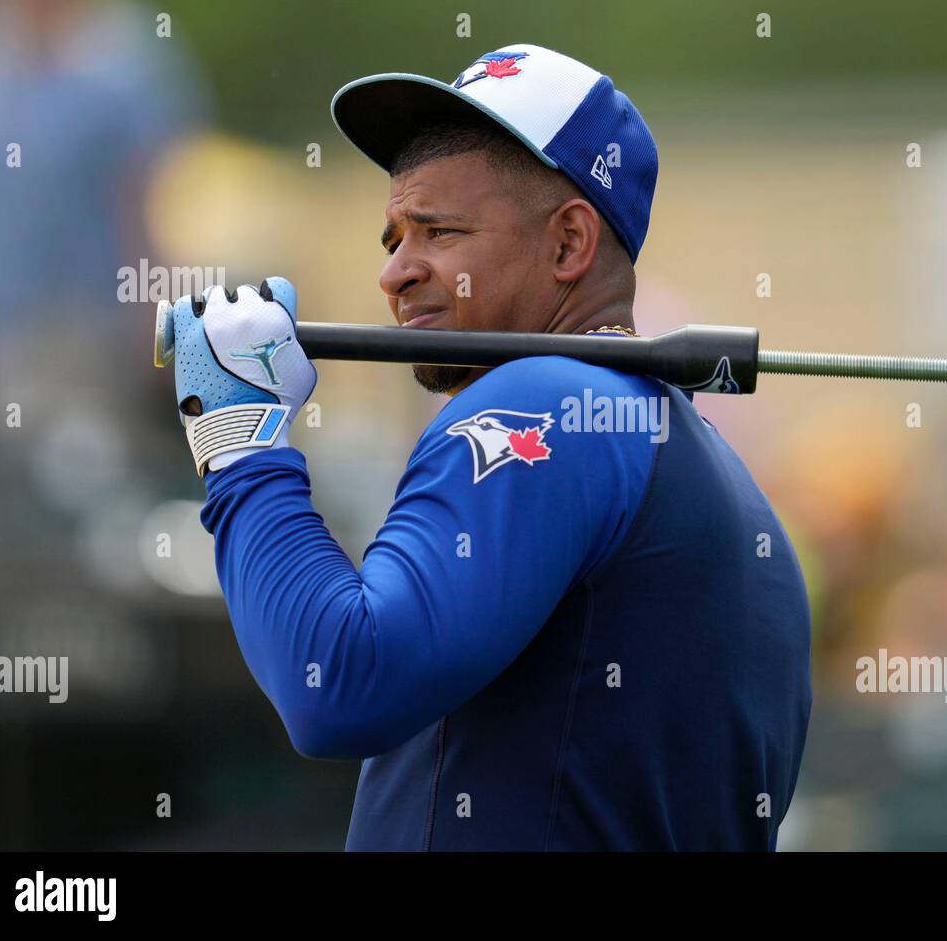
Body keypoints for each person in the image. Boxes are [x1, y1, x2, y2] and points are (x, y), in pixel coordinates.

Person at [168, 43, 811, 850]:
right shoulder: (704, 466)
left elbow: (334, 683)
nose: (395, 274)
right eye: (392, 239)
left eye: (438, 231)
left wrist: (239, 443)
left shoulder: (546, 401)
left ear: (570, 244)